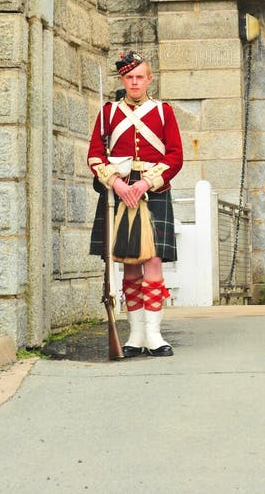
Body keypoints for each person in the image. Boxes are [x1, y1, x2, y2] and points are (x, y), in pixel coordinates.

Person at [87, 51, 183, 357]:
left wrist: (144, 183)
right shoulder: (107, 113)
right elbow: (94, 155)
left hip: (152, 191)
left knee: (152, 261)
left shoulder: (164, 112)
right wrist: (116, 183)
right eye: (129, 78)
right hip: (118, 193)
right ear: (122, 80)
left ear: (149, 79)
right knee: (129, 264)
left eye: (140, 77)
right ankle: (135, 335)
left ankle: (154, 334)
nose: (134, 82)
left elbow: (175, 156)